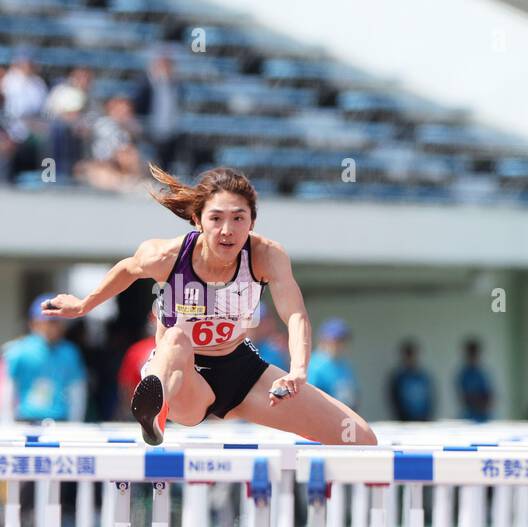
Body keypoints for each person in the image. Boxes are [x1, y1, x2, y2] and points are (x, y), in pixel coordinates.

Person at [39, 164, 377, 447]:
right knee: (174, 340)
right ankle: (154, 412)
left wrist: (299, 369)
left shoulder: (266, 256)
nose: (227, 231)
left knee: (359, 439)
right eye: (216, 219)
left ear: (252, 222)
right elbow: (128, 269)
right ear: (198, 220)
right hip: (186, 377)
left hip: (243, 371)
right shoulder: (167, 255)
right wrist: (84, 304)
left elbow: (295, 314)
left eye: (238, 219)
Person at [3, 294, 87, 423]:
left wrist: (76, 423)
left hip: (60, 421)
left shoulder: (70, 352)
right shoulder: (17, 350)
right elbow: (7, 388)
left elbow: (77, 390)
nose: (54, 327)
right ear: (34, 323)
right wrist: (7, 422)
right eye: (49, 321)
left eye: (57, 321)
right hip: (25, 421)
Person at [306, 318, 360, 410]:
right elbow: (309, 398)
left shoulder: (344, 364)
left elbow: (353, 393)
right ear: (323, 339)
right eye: (336, 340)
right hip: (323, 416)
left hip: (346, 416)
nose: (340, 345)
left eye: (343, 340)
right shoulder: (313, 365)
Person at [387, 338, 435, 421]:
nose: (411, 357)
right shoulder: (398, 377)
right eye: (408, 354)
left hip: (423, 419)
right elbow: (393, 398)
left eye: (413, 354)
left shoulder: (423, 376)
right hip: (404, 421)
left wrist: (427, 416)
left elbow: (430, 397)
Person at [456, 338, 494, 422]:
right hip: (469, 417)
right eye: (471, 354)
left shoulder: (483, 374)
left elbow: (491, 396)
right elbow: (463, 398)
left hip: (485, 417)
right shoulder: (463, 375)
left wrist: (484, 404)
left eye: (475, 354)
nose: (473, 357)